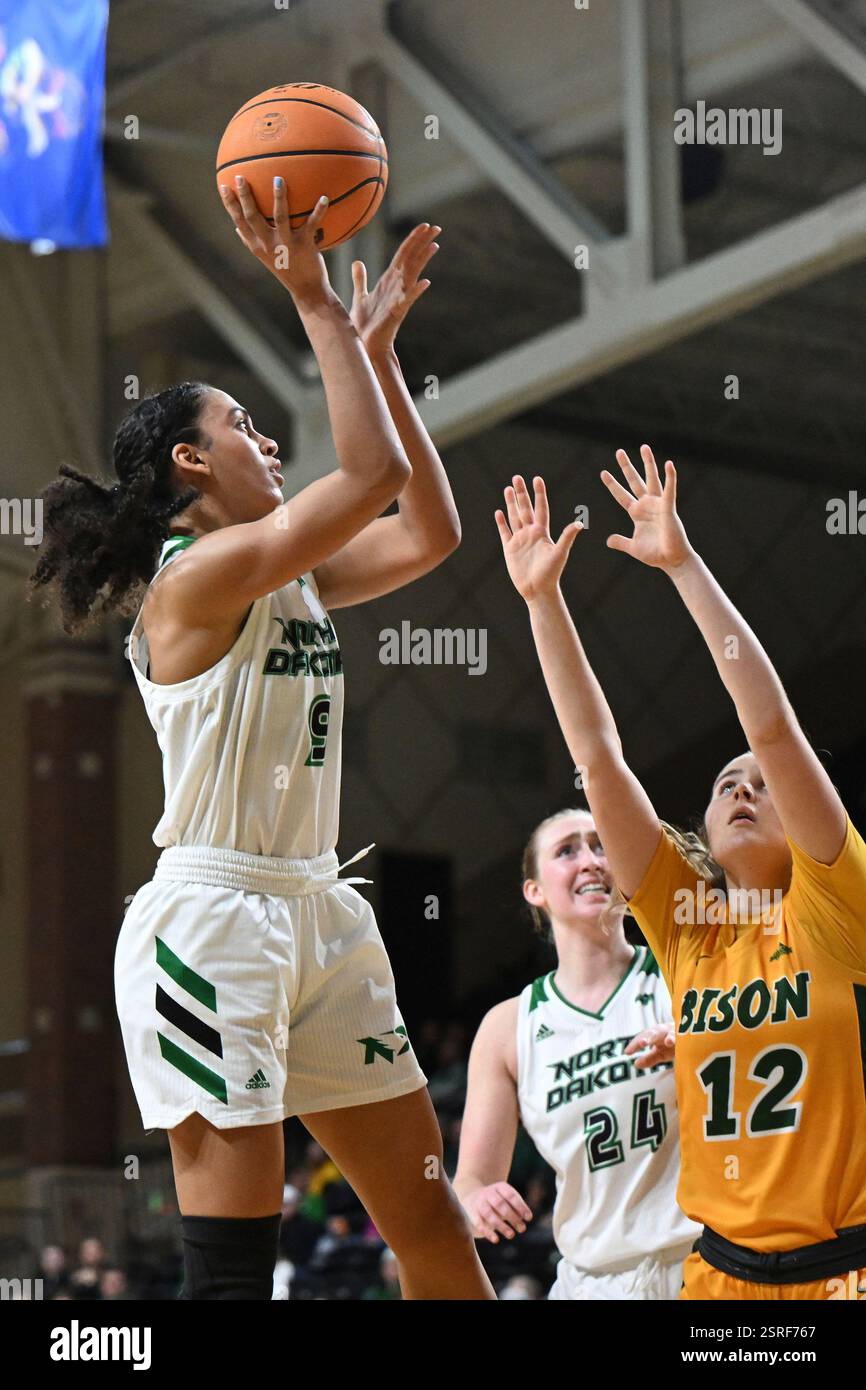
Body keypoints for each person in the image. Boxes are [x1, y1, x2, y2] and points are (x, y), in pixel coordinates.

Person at [29, 175, 493, 1301]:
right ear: (190, 464)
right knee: (234, 1268)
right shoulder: (197, 580)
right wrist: (322, 309)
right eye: (241, 425)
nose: (268, 442)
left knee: (430, 1220)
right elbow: (370, 475)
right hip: (213, 923)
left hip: (319, 910)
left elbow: (428, 527)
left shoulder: (289, 571)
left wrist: (381, 362)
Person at [494, 450, 866, 1300]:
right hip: (718, 1279)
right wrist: (543, 602)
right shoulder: (686, 920)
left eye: (762, 784)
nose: (743, 787)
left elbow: (769, 725)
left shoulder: (840, 902)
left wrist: (683, 565)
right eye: (725, 783)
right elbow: (596, 757)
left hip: (842, 1273)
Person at [454, 806, 698, 1299]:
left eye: (601, 846)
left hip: (701, 1263)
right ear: (535, 890)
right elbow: (471, 1182)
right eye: (567, 850)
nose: (589, 860)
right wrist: (480, 1201)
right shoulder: (508, 1027)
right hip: (588, 1281)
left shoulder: (684, 971)